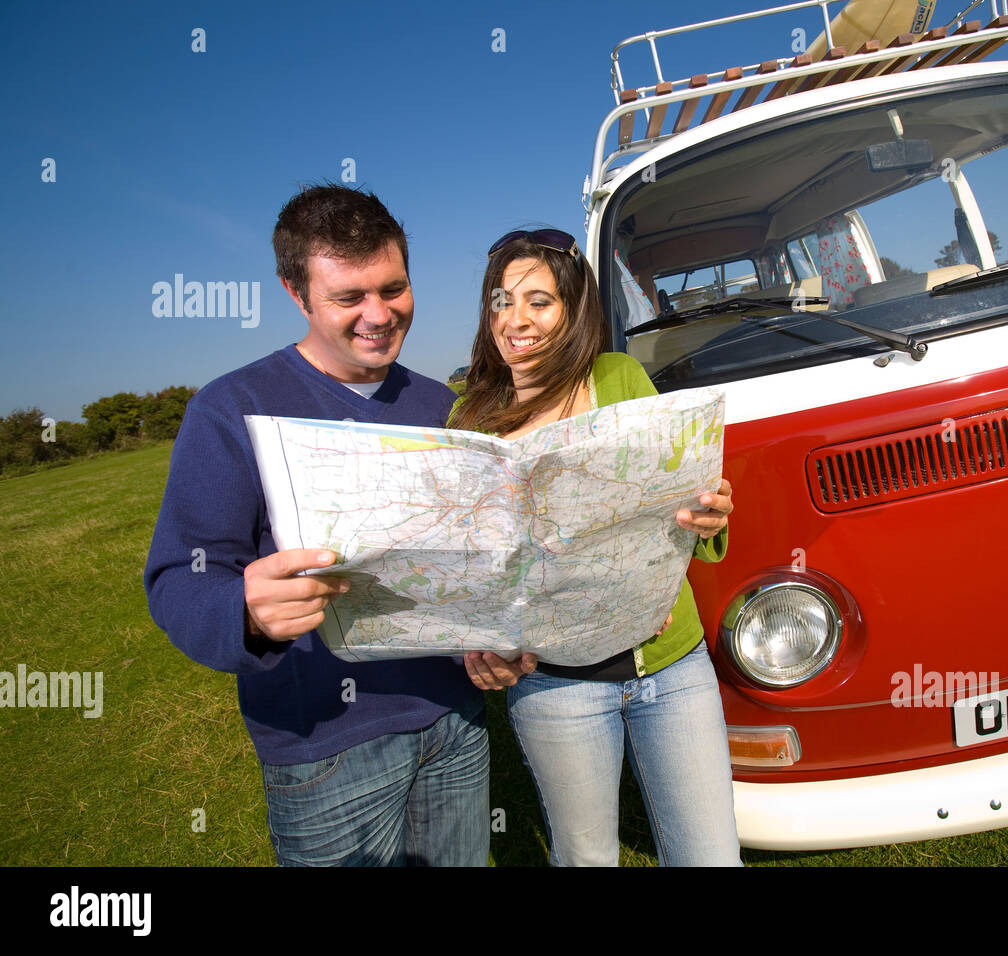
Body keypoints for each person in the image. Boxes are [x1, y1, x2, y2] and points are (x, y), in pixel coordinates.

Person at [143, 184, 535, 866]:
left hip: (456, 724)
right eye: (349, 298)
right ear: (297, 294)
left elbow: (471, 559)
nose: (379, 316)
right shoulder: (230, 408)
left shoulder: (440, 405)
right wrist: (243, 611)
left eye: (394, 288)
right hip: (324, 751)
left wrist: (489, 642)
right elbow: (178, 576)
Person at [450, 228, 742, 866]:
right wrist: (479, 637)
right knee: (587, 859)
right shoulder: (469, 423)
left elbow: (682, 502)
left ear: (573, 310)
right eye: (500, 300)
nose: (516, 319)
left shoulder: (619, 376)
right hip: (557, 684)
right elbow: (468, 570)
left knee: (711, 857)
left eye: (539, 301)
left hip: (670, 663)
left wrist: (709, 513)